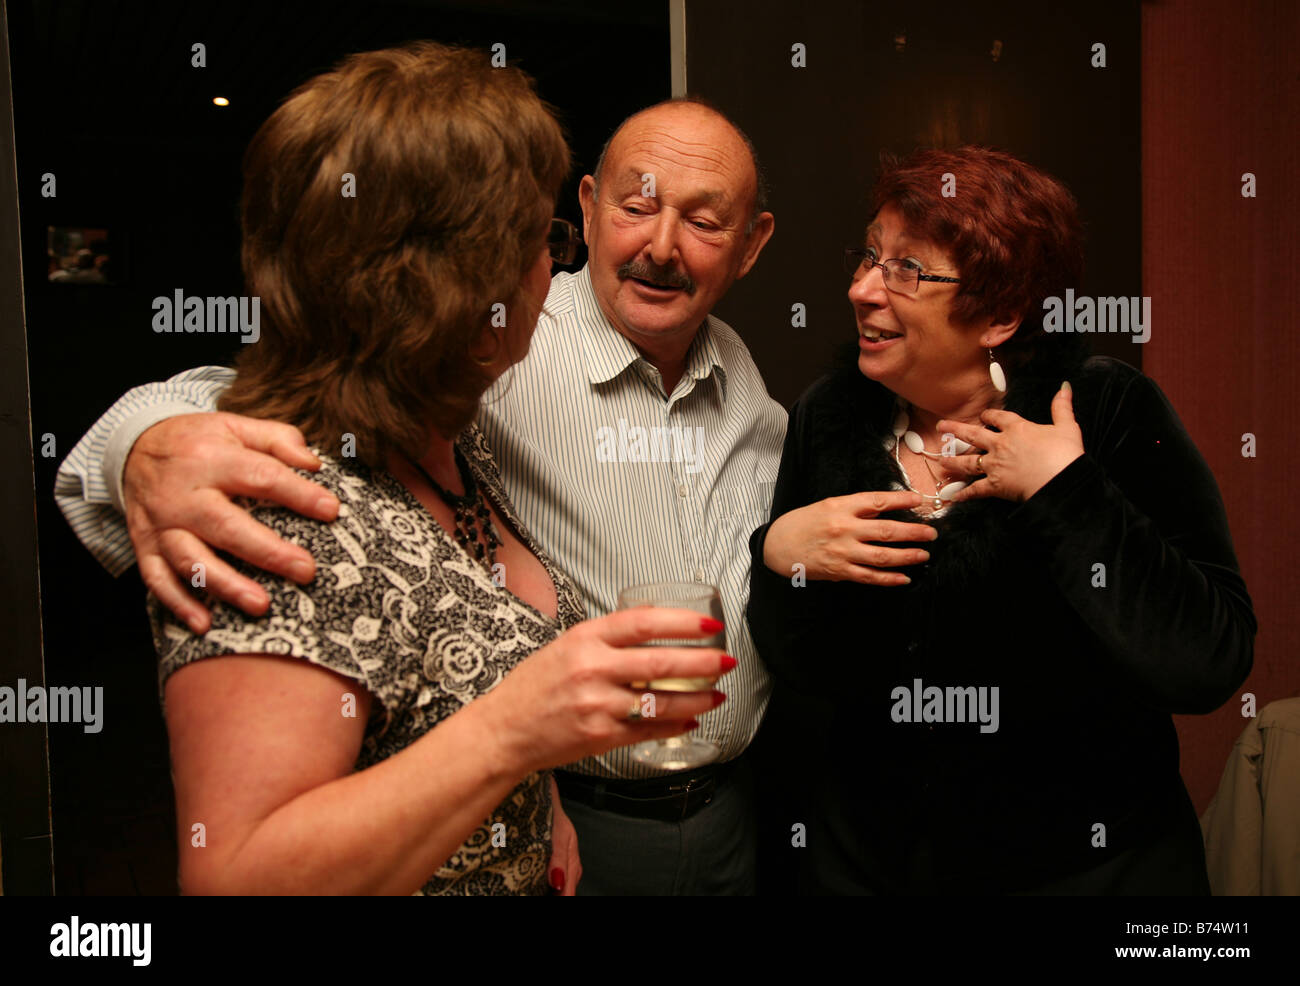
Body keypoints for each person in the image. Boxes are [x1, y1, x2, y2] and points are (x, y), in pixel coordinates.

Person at [62, 42, 739, 896]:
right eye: (542, 238)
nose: (554, 266)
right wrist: (518, 731)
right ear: (460, 283)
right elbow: (237, 877)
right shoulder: (274, 504)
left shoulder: (453, 438)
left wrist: (535, 804)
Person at [748, 146, 1256, 894]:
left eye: (906, 271)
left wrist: (1065, 489)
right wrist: (779, 553)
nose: (861, 290)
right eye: (869, 258)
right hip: (871, 867)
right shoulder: (830, 416)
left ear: (1001, 315)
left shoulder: (1106, 409)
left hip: (1091, 869)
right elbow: (805, 667)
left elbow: (1206, 661)